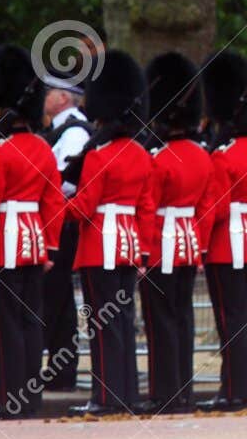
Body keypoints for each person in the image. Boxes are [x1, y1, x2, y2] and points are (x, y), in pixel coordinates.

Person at [0, 45, 65, 420]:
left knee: (6, 324)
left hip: (4, 245)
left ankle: (9, 399)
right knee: (31, 322)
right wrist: (50, 248)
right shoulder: (43, 148)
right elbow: (54, 203)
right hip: (35, 244)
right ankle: (31, 397)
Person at [64, 50, 152, 417]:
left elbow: (84, 207)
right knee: (123, 321)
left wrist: (50, 203)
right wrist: (145, 252)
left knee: (102, 325)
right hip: (129, 243)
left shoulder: (99, 156)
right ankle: (127, 392)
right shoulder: (141, 154)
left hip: (100, 245)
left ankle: (105, 396)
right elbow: (146, 208)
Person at [134, 52, 212, 415]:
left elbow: (149, 209)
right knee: (183, 317)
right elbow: (206, 208)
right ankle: (184, 389)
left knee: (160, 320)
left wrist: (143, 255)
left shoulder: (158, 159)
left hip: (162, 244)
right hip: (187, 243)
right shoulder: (202, 156)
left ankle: (163, 392)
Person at [196, 51, 247, 412]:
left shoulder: (222, 156)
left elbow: (217, 208)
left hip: (227, 244)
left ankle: (232, 390)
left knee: (231, 318)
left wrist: (195, 243)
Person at [41, 68, 92, 392]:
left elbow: (66, 181)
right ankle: (58, 367)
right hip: (57, 219)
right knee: (54, 298)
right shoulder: (59, 130)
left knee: (58, 298)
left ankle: (63, 370)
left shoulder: (74, 132)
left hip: (65, 221)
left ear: (62, 98)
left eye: (47, 93)